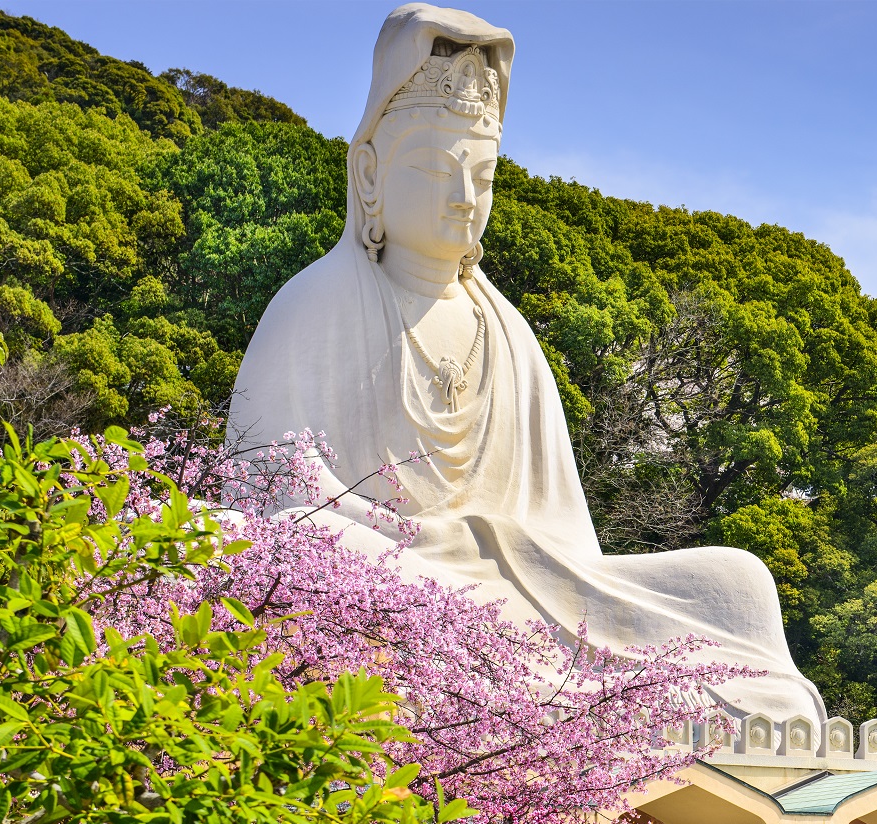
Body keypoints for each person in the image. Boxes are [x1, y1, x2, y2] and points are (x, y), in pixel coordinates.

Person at [228, 3, 824, 727]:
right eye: (434, 168)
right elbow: (268, 503)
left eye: (481, 174)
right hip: (396, 578)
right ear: (370, 174)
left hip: (531, 602)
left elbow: (568, 546)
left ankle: (608, 696)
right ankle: (552, 699)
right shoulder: (315, 303)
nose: (463, 198)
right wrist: (429, 543)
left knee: (741, 582)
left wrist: (493, 549)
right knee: (282, 547)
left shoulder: (507, 331)